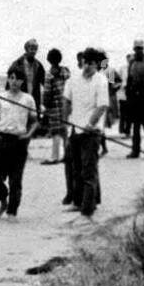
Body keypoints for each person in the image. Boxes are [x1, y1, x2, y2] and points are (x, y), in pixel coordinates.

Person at [62, 47, 107, 217]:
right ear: (82, 62)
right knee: (75, 169)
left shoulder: (101, 80)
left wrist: (90, 123)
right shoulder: (72, 80)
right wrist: (66, 123)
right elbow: (66, 101)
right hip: (74, 130)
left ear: (97, 65)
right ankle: (77, 202)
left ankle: (88, 208)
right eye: (86, 62)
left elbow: (102, 106)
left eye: (92, 63)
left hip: (91, 132)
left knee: (89, 171)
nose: (88, 66)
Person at [0, 67, 39, 220]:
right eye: (11, 78)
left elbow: (35, 122)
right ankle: (3, 202)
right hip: (2, 140)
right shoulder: (0, 96)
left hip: (19, 142)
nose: (14, 81)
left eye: (18, 78)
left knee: (15, 179)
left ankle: (12, 211)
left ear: (22, 81)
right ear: (7, 79)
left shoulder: (28, 99)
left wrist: (28, 135)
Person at [40, 48, 68, 164]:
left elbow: (47, 93)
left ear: (49, 60)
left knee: (55, 131)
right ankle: (68, 155)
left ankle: (55, 156)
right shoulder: (66, 71)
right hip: (65, 104)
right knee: (65, 131)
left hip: (54, 106)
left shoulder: (49, 74)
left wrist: (44, 106)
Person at [8, 39, 45, 116]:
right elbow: (9, 85)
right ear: (26, 49)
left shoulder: (38, 66)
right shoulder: (17, 64)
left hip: (34, 103)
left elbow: (45, 83)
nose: (33, 51)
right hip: (19, 102)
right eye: (31, 48)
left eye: (35, 49)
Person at [98, 55, 122, 156]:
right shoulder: (98, 71)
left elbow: (115, 84)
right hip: (100, 100)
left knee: (101, 125)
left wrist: (112, 92)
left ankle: (103, 148)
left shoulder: (109, 71)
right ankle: (103, 147)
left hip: (106, 100)